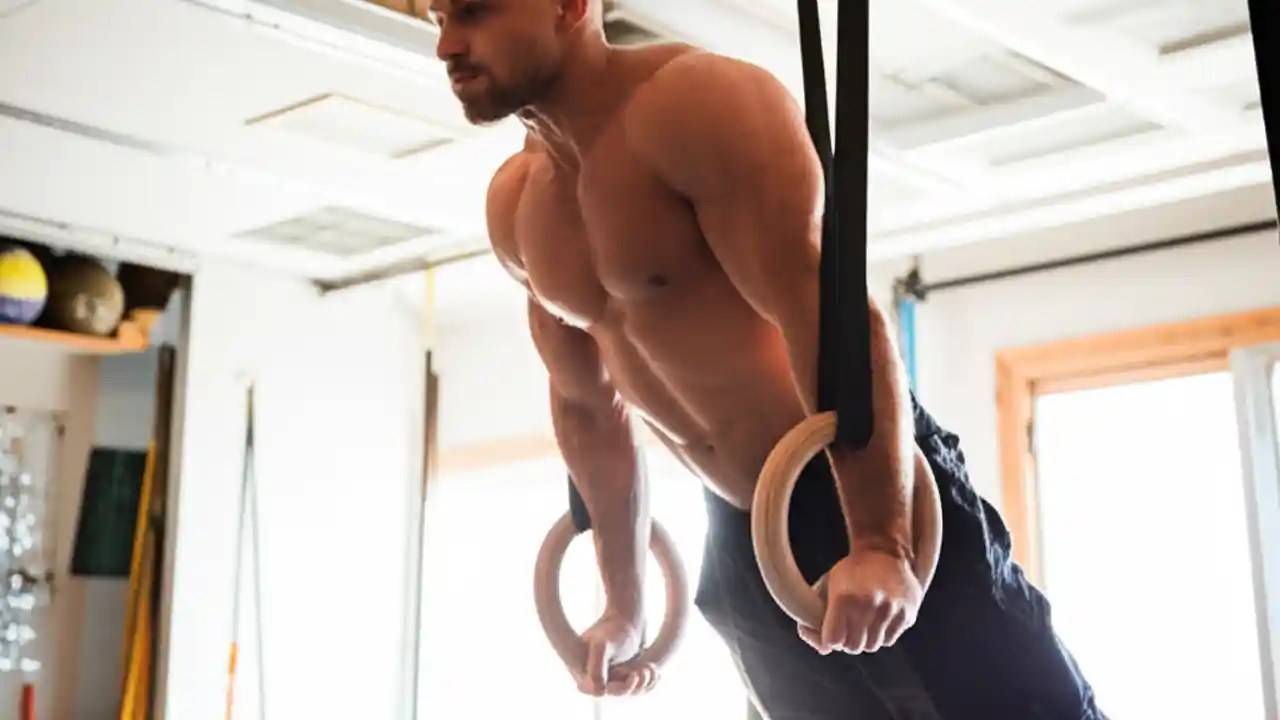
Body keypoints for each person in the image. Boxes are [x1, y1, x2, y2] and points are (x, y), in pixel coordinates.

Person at [429, 1, 1105, 717]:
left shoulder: (694, 107)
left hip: (858, 479)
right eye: (438, 16)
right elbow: (587, 408)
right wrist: (623, 601)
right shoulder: (517, 207)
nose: (446, 43)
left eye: (473, 10)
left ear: (569, 6)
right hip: (740, 531)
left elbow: (829, 311)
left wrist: (880, 539)